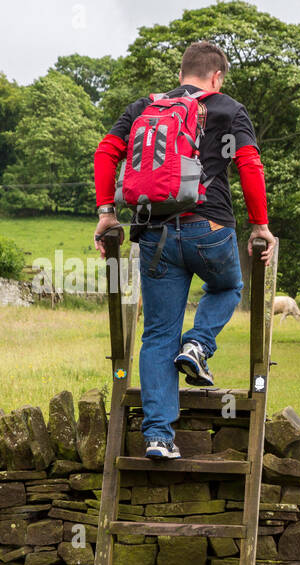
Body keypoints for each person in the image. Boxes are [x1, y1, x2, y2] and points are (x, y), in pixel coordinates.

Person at [92, 40, 275, 459]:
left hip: (154, 234)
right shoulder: (229, 108)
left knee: (157, 334)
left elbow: (106, 152)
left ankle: (158, 436)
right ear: (217, 76)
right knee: (228, 287)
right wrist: (260, 226)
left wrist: (107, 215)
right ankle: (198, 345)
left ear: (180, 75)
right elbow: (249, 164)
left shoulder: (146, 106)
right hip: (210, 228)